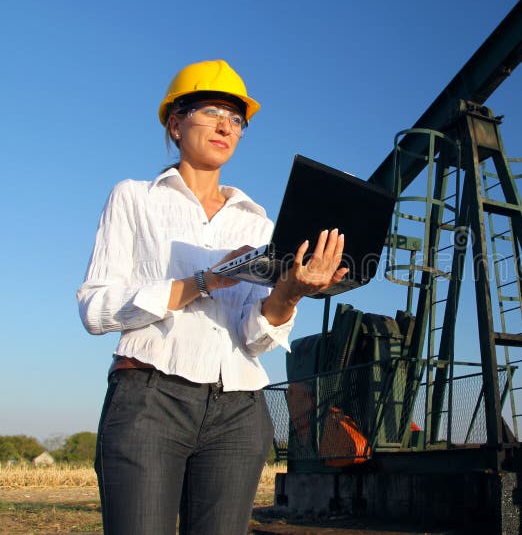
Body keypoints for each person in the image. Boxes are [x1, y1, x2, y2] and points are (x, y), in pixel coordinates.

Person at [77, 59, 348, 534]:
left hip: (239, 411)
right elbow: (96, 309)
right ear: (175, 122)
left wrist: (289, 292)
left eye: (237, 118)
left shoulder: (259, 223)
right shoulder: (134, 198)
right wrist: (203, 281)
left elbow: (256, 337)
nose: (226, 124)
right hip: (149, 399)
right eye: (211, 110)